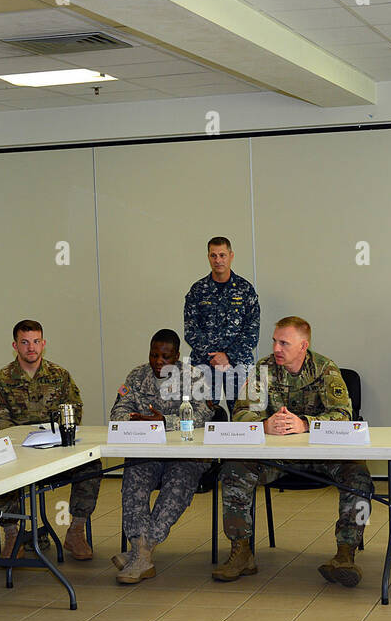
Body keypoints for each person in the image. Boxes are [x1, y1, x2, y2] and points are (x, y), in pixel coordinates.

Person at [212, 316, 374, 586]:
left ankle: (346, 553)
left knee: (359, 477)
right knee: (233, 470)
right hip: (277, 457)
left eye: (284, 343)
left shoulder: (325, 369)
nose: (276, 348)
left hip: (322, 457)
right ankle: (241, 551)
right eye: (274, 341)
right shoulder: (263, 369)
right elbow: (240, 413)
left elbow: (345, 415)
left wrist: (305, 424)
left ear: (303, 346)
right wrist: (264, 425)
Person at [0, 319, 101, 560]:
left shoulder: (60, 376)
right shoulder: (1, 380)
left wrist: (56, 436)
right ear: (15, 346)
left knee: (91, 466)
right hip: (19, 455)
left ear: (43, 343)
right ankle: (13, 534)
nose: (31, 348)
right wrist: (21, 440)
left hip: (56, 454)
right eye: (25, 342)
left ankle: (76, 531)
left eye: (36, 341)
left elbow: (74, 411)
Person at [109, 329, 214, 583]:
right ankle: (140, 550)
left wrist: (164, 422)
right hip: (147, 452)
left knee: (178, 483)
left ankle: (141, 552)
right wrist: (138, 422)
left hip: (186, 455)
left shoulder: (194, 377)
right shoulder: (137, 376)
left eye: (165, 357)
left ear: (176, 356)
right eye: (153, 355)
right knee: (133, 478)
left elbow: (204, 415)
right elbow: (118, 411)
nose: (158, 361)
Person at [183, 236, 261, 405]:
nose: (218, 260)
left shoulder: (245, 290)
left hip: (238, 363)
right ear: (208, 257)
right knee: (202, 414)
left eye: (222, 255)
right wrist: (214, 356)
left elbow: (252, 332)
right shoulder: (197, 290)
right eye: (213, 255)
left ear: (231, 256)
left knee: (244, 413)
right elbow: (191, 330)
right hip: (205, 363)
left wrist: (228, 356)